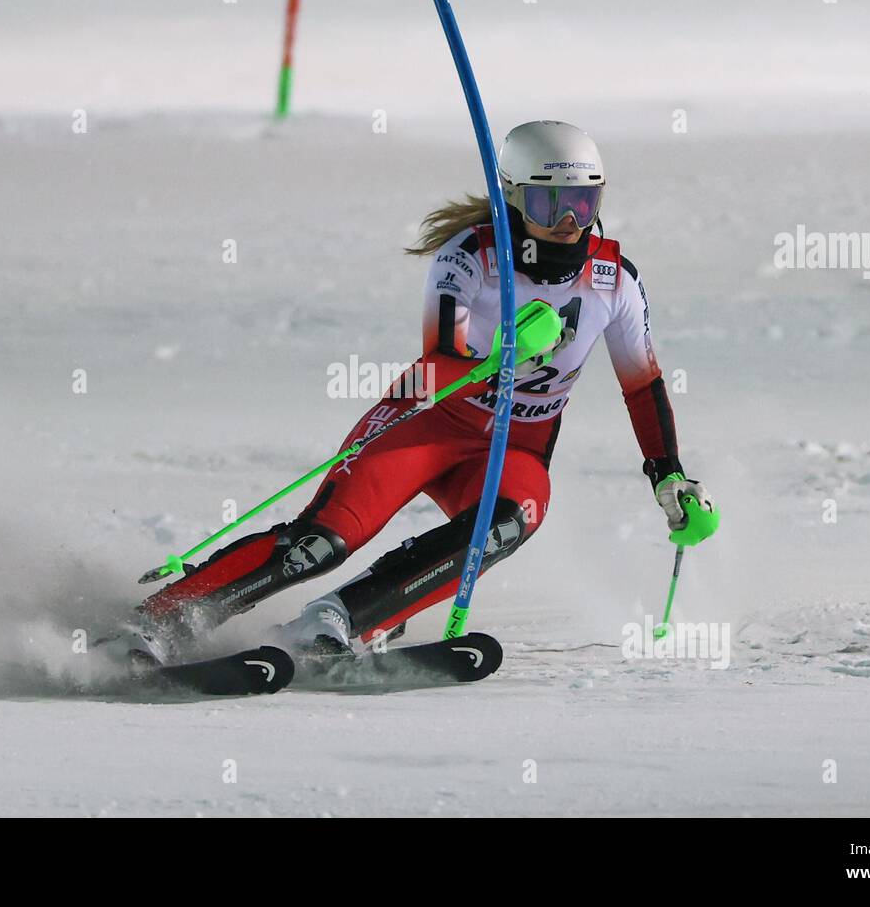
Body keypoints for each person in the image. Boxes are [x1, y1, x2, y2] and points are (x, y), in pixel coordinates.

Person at [140, 120, 714, 654]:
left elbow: (642, 386)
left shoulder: (614, 281)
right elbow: (439, 362)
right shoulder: (470, 258)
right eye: (550, 203)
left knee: (507, 524)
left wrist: (667, 475)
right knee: (322, 544)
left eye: (583, 203)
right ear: (514, 197)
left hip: (512, 449)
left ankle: (343, 619)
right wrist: (497, 356)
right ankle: (161, 617)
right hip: (425, 423)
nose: (569, 221)